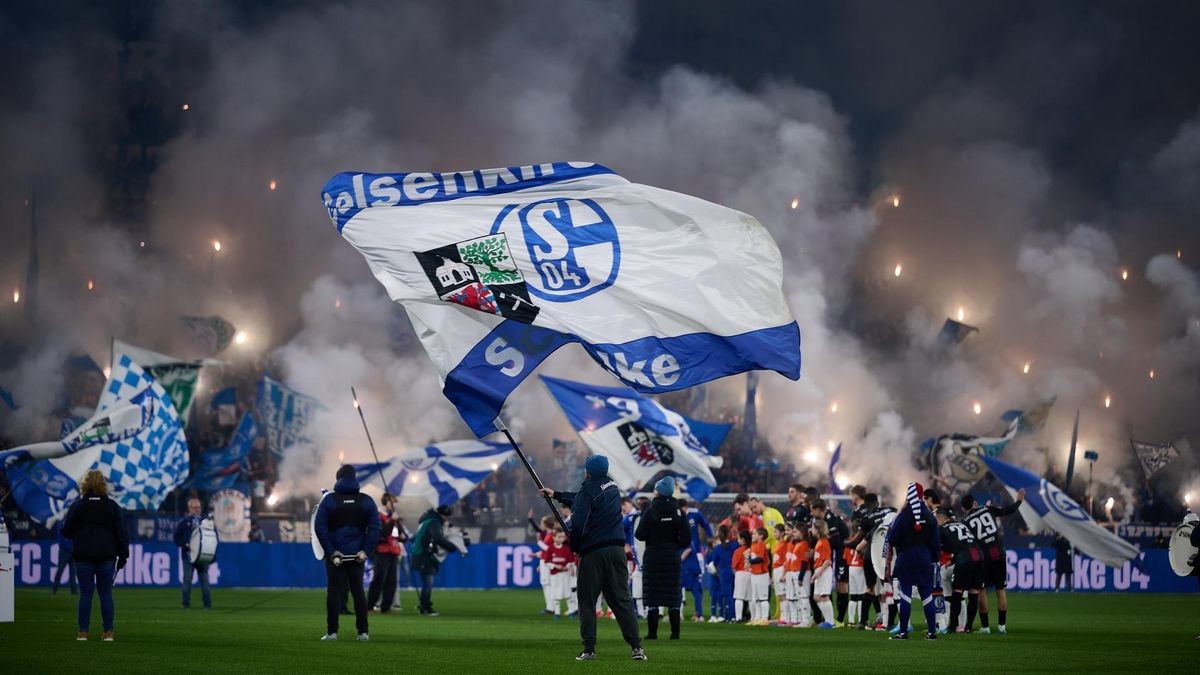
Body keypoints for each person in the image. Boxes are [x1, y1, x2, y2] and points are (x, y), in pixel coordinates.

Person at [539, 455, 646, 661]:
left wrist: (575, 546)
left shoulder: (587, 490)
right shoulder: (612, 486)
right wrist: (557, 495)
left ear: (588, 471)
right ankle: (636, 648)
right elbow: (584, 499)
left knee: (587, 602)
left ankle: (589, 649)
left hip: (594, 553)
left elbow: (579, 521)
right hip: (617, 552)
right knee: (622, 600)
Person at [314, 465, 380, 641]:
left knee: (334, 592)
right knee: (358, 592)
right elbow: (375, 528)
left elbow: (320, 528)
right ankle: (363, 632)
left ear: (338, 478)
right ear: (354, 477)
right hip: (357, 556)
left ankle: (332, 632)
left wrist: (331, 551)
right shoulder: (366, 500)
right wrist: (365, 550)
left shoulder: (329, 500)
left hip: (335, 556)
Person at [61, 469, 128, 641]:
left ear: (85, 484)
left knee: (85, 594)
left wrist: (80, 531)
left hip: (83, 555)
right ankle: (108, 632)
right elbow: (121, 533)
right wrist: (123, 555)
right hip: (106, 555)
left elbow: (66, 530)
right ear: (103, 484)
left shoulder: (78, 506)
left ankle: (83, 632)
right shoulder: (112, 506)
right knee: (105, 594)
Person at [962, 488, 1025, 634]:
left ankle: (985, 627)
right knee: (1000, 590)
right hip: (998, 554)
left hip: (983, 557)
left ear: (963, 509)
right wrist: (1019, 501)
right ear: (975, 503)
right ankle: (1002, 627)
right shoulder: (988, 509)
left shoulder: (965, 522)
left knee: (982, 591)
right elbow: (1008, 510)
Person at [635, 476, 691, 640]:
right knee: (673, 594)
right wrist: (673, 545)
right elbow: (686, 538)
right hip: (672, 557)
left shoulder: (649, 510)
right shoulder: (679, 511)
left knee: (653, 594)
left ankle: (652, 633)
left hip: (653, 556)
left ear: (658, 491)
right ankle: (675, 633)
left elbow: (639, 535)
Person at [885, 482, 941, 641]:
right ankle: (932, 633)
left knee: (905, 595)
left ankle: (903, 632)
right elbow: (936, 543)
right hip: (925, 560)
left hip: (906, 559)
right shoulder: (930, 517)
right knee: (927, 596)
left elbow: (892, 539)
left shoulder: (903, 515)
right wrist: (934, 561)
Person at [935, 507, 985, 633]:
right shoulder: (961, 525)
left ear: (940, 518)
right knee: (973, 593)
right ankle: (968, 628)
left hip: (964, 560)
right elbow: (964, 543)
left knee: (957, 594)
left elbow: (936, 547)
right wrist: (952, 560)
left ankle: (952, 627)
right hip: (979, 557)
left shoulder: (941, 529)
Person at [411, 504, 463, 617]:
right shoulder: (434, 522)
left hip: (420, 554)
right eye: (446, 517)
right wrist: (451, 547)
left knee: (427, 581)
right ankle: (425, 608)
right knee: (428, 581)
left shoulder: (427, 520)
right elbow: (438, 538)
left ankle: (424, 605)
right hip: (424, 555)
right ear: (442, 515)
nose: (447, 520)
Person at [811, 498, 850, 624]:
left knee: (841, 585)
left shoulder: (831, 520)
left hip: (840, 554)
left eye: (812, 510)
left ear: (818, 510)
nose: (811, 513)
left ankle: (839, 619)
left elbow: (837, 542)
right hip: (832, 555)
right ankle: (830, 619)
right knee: (826, 591)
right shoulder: (824, 522)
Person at [173, 498, 212, 609]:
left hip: (203, 555)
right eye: (195, 508)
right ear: (189, 509)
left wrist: (210, 549)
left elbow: (214, 536)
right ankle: (185, 604)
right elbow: (176, 538)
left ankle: (207, 604)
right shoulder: (184, 522)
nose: (197, 510)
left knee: (205, 580)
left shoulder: (206, 522)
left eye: (198, 507)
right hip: (188, 555)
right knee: (187, 580)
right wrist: (184, 545)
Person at [367, 493, 402, 613]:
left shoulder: (393, 516)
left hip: (393, 551)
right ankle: (370, 606)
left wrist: (400, 531)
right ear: (385, 502)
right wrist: (392, 521)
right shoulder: (378, 516)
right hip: (382, 552)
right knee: (379, 578)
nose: (393, 505)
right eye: (392, 502)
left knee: (391, 580)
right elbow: (382, 534)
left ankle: (386, 607)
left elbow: (398, 534)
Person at [542, 526, 578, 617]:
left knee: (568, 592)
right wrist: (555, 566)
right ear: (554, 537)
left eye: (563, 537)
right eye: (559, 537)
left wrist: (567, 567)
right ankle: (557, 612)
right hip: (554, 575)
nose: (561, 539)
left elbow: (571, 561)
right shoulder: (550, 548)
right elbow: (546, 562)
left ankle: (571, 611)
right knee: (555, 593)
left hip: (565, 574)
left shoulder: (567, 548)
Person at [708, 524, 736, 622]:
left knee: (727, 595)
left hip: (724, 573)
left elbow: (715, 563)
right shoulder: (734, 545)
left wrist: (718, 573)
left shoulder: (717, 549)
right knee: (734, 594)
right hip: (734, 572)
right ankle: (734, 615)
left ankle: (729, 616)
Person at [811, 519, 836, 628]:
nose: (811, 530)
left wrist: (819, 572)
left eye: (813, 528)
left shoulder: (824, 542)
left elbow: (827, 560)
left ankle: (830, 622)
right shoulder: (819, 542)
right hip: (819, 569)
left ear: (818, 529)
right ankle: (828, 620)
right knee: (816, 597)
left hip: (823, 570)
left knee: (824, 595)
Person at [747, 527, 771, 625]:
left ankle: (764, 618)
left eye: (754, 534)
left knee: (763, 597)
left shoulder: (762, 544)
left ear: (761, 536)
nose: (752, 535)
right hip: (754, 573)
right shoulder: (753, 544)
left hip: (762, 573)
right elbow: (752, 556)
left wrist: (749, 561)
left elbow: (760, 558)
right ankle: (757, 617)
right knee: (755, 598)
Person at [52, 520, 78, 595]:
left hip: (72, 551)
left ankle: (74, 590)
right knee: (61, 569)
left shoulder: (72, 523)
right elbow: (61, 537)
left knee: (72, 572)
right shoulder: (63, 523)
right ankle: (55, 588)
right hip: (65, 551)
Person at [771, 523, 790, 624]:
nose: (773, 534)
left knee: (783, 595)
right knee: (780, 595)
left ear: (782, 533)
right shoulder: (778, 544)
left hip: (781, 569)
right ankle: (783, 617)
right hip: (776, 569)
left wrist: (784, 573)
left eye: (775, 532)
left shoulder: (784, 545)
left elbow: (785, 560)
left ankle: (786, 617)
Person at [731, 530, 751, 622]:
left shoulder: (738, 551)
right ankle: (753, 617)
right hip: (751, 573)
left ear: (743, 540)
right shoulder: (752, 549)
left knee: (739, 597)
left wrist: (736, 574)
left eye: (739, 538)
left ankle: (738, 617)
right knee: (750, 598)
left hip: (740, 573)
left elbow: (734, 566)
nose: (737, 540)